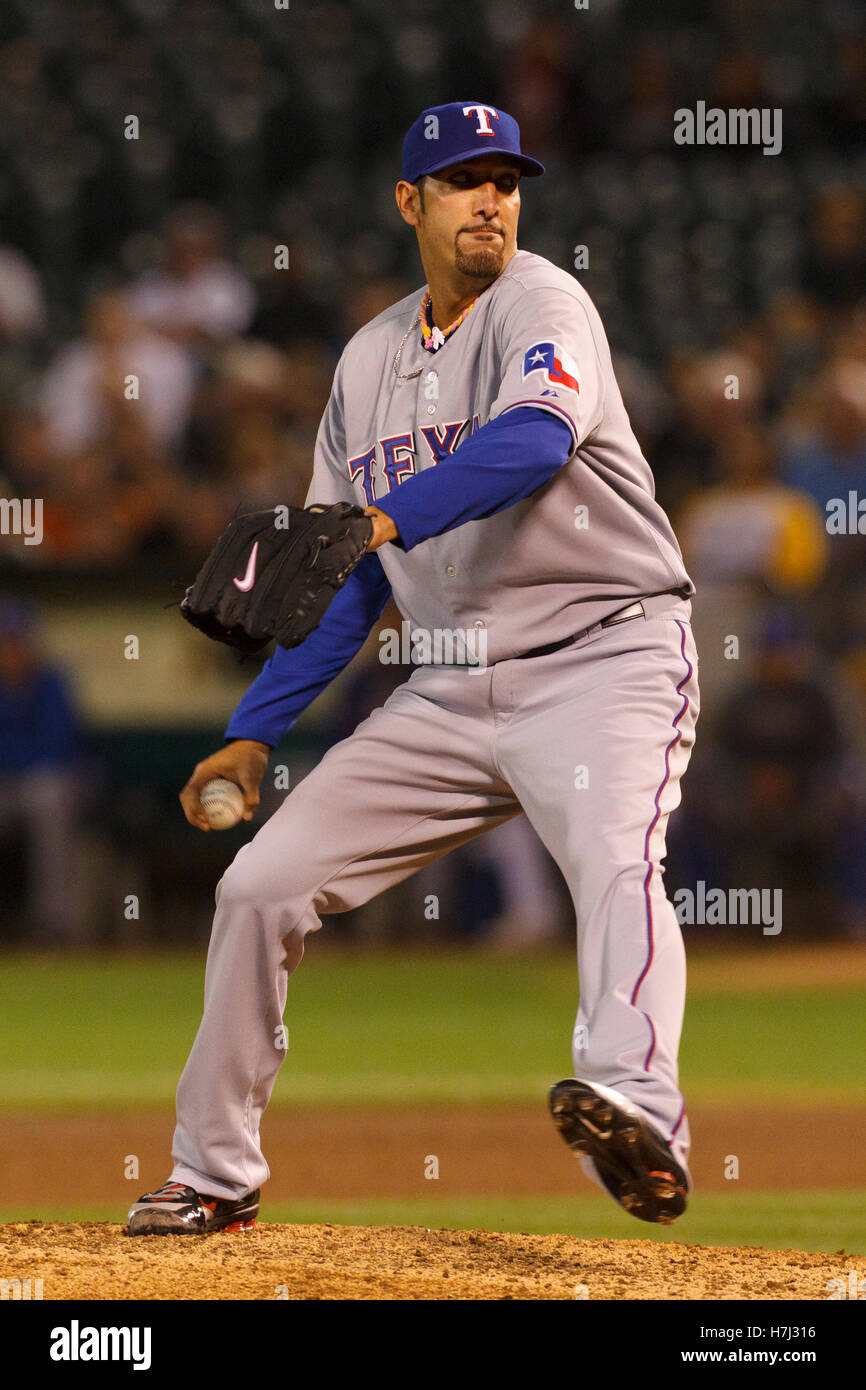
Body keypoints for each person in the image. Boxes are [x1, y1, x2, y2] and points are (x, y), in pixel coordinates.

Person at [128, 103, 700, 1236]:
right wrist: (255, 729)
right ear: (410, 203)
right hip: (447, 686)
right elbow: (343, 579)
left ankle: (636, 1106)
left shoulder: (542, 301)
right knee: (256, 887)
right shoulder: (368, 360)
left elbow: (533, 440)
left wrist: (380, 519)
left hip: (606, 657)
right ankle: (213, 1171)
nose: (489, 199)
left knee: (613, 862)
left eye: (505, 179)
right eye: (459, 181)